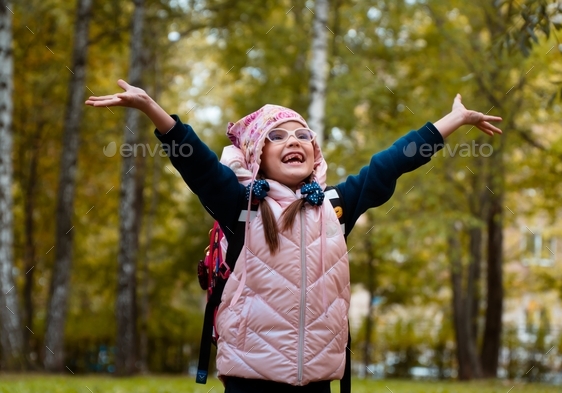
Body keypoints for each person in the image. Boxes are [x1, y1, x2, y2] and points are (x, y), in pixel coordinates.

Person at [85, 79, 502, 392]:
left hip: (319, 377)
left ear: (314, 153)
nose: (294, 141)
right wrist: (151, 108)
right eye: (278, 136)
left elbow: (390, 164)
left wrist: (454, 120)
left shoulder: (335, 206)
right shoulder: (241, 204)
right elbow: (196, 164)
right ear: (258, 155)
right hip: (251, 377)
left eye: (303, 135)